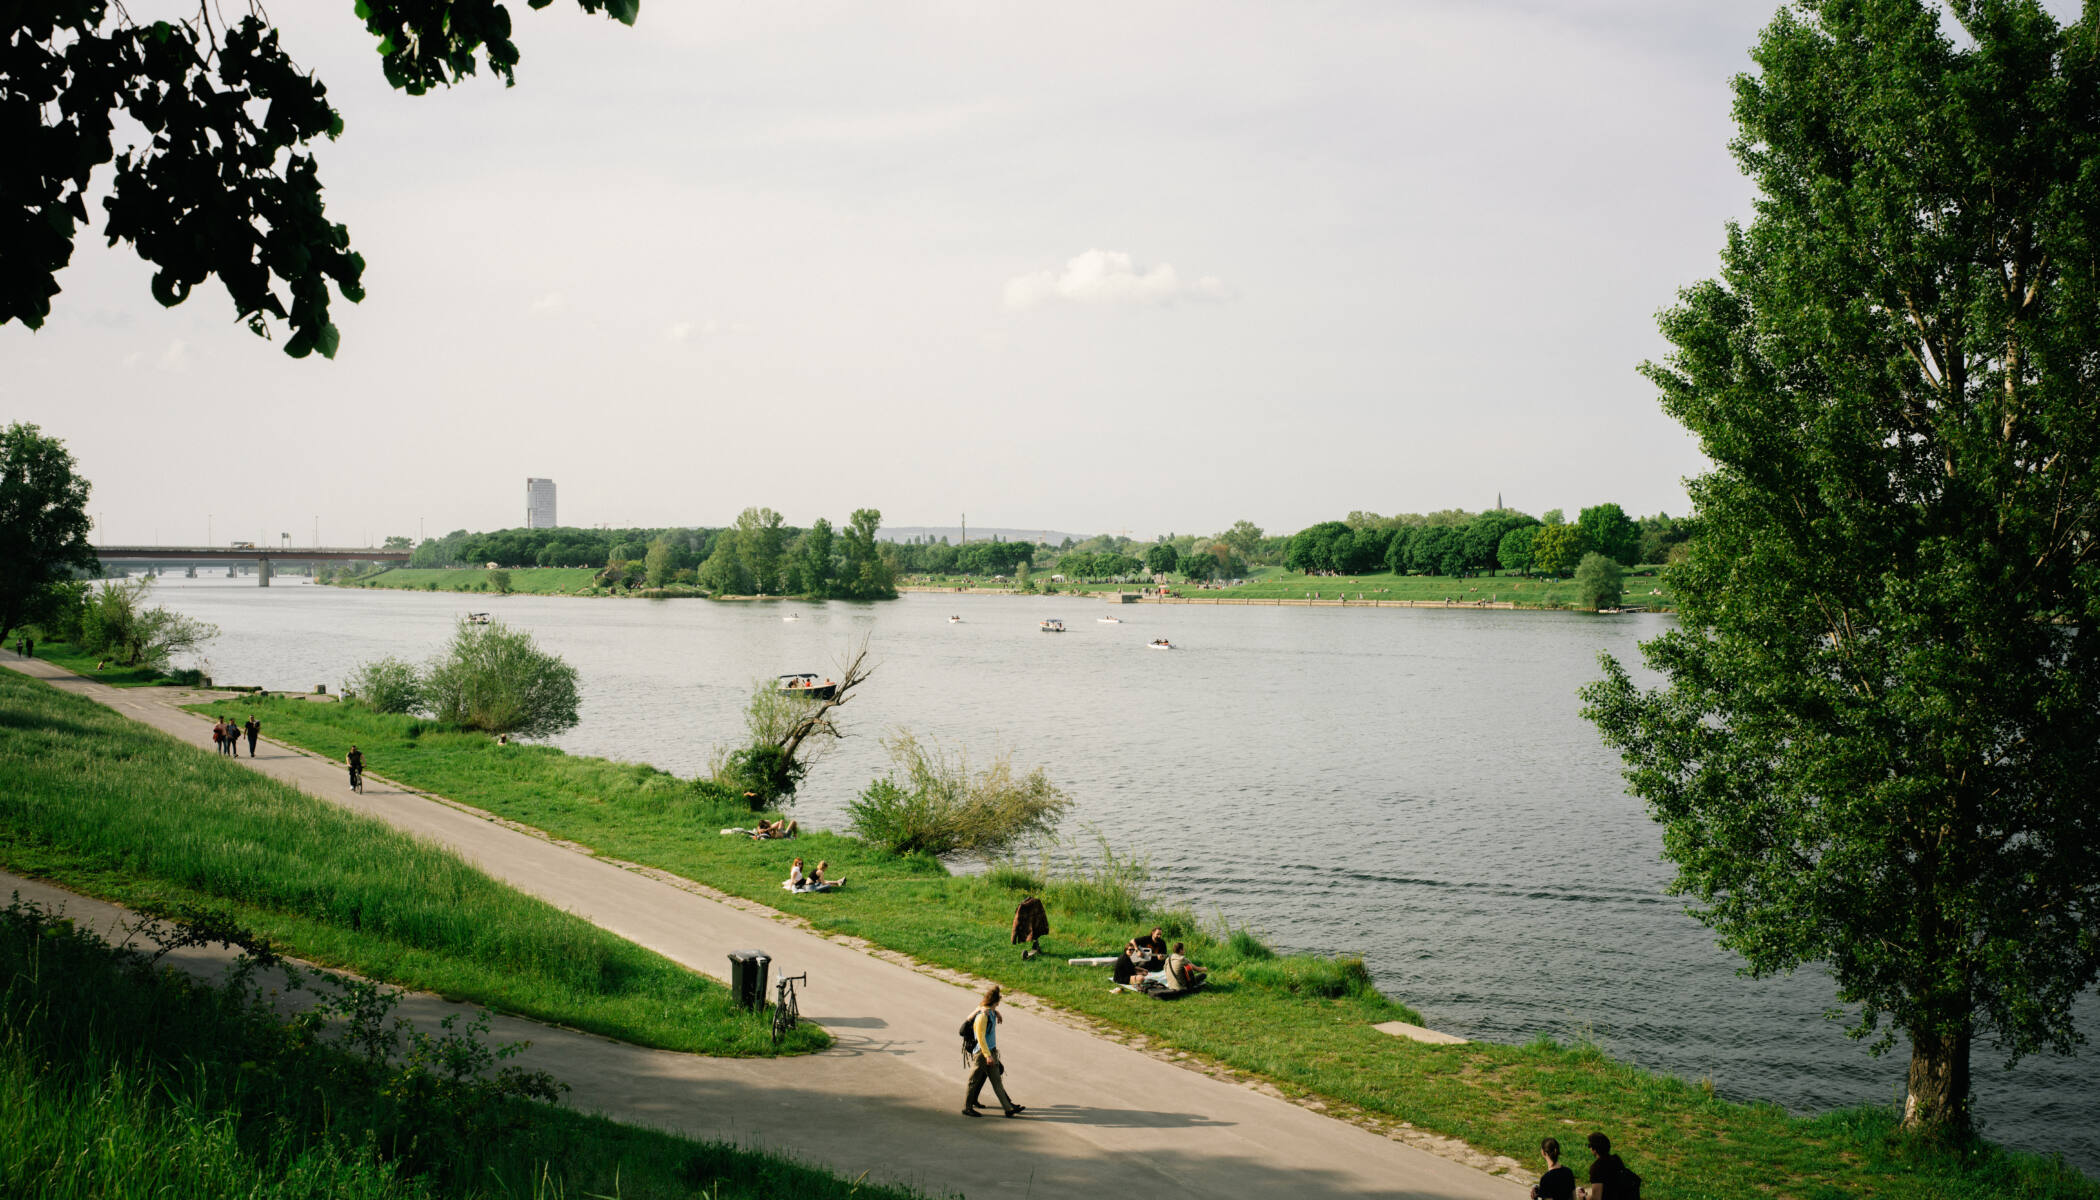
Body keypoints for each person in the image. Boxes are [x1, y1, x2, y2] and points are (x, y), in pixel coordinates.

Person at [962, 985, 1025, 1118]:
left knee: (997, 1081)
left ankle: (1008, 1109)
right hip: (982, 1054)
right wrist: (987, 1056)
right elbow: (980, 1038)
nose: (999, 1003)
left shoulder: (991, 1012)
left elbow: (990, 1010)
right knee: (973, 1080)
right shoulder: (982, 1017)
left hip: (991, 1052)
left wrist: (997, 1013)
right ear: (995, 1001)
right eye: (998, 1000)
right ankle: (967, 1107)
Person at [1581, 1132, 1634, 1200]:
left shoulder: (1596, 1167)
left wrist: (1583, 1197)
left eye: (1589, 1146)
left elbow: (1596, 1198)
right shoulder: (1616, 1159)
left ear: (1594, 1149)